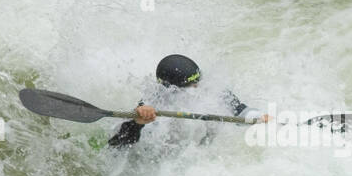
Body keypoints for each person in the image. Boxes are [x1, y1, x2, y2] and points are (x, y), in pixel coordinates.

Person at [109, 54, 269, 147]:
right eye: (191, 85)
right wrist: (138, 123)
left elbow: (241, 111)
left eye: (198, 81)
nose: (198, 87)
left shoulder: (212, 88)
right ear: (171, 88)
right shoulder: (151, 103)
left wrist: (260, 117)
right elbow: (117, 144)